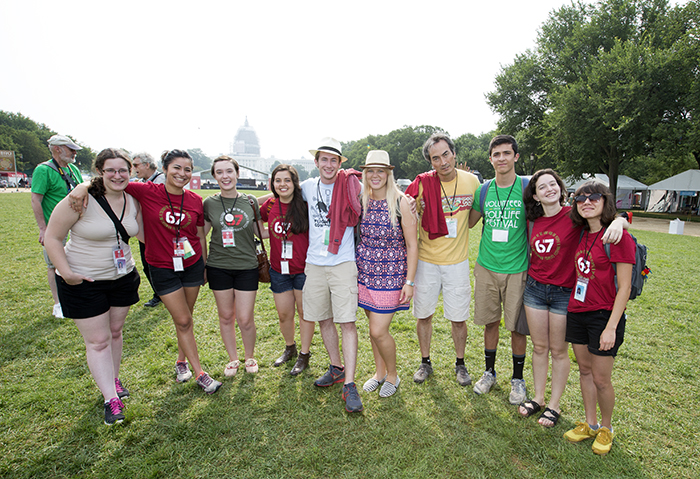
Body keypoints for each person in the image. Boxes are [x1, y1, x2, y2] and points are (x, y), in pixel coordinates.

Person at [69, 149, 221, 394]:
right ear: (165, 169)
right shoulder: (146, 191)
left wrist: (203, 264)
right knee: (182, 320)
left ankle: (182, 362)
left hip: (191, 265)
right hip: (162, 266)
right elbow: (115, 179)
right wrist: (82, 186)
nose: (182, 174)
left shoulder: (194, 200)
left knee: (186, 319)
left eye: (187, 169)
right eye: (177, 168)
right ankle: (200, 373)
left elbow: (199, 234)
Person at [519, 169, 626, 427]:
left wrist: (621, 221)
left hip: (564, 292)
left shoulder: (575, 216)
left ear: (561, 188)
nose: (549, 189)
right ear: (535, 195)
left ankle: (554, 406)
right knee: (539, 347)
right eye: (542, 187)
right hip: (534, 289)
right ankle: (538, 398)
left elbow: (607, 216)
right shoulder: (531, 221)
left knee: (558, 350)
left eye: (553, 184)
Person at [44, 148, 141, 425]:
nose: (117, 175)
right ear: (99, 171)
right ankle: (110, 398)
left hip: (122, 277)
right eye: (110, 170)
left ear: (130, 172)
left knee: (114, 332)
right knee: (98, 341)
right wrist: (67, 273)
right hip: (84, 280)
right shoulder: (80, 200)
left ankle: (113, 379)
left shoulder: (132, 199)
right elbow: (52, 237)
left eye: (123, 170)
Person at [563, 181, 635, 455]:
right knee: (584, 371)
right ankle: (590, 423)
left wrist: (611, 327)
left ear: (606, 201)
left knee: (602, 378)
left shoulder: (617, 237)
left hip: (604, 316)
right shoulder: (580, 232)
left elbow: (625, 287)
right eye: (580, 198)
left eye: (594, 197)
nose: (587, 202)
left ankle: (606, 428)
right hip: (577, 311)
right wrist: (621, 219)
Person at [404, 133, 480, 386]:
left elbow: (475, 216)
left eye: (446, 154)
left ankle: (460, 364)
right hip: (426, 261)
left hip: (457, 262)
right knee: (423, 315)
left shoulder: (472, 182)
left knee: (458, 318)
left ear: (454, 153)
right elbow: (402, 207)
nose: (443, 161)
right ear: (430, 162)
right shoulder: (422, 184)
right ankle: (425, 361)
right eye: (436, 158)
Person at [301, 137, 363, 413]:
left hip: (343, 262)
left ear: (340, 164)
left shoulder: (351, 185)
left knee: (347, 322)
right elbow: (279, 192)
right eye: (323, 159)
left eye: (333, 160)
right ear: (316, 163)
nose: (328, 164)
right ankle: (336, 367)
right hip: (314, 264)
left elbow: (380, 192)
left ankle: (349, 383)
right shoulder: (306, 186)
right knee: (324, 318)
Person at [468, 134, 529, 404]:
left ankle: (518, 379)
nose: (501, 158)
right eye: (496, 154)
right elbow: (468, 222)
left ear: (516, 156)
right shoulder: (483, 190)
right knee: (490, 322)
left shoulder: (528, 188)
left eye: (507, 153)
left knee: (517, 326)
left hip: (518, 268)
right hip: (487, 267)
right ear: (490, 159)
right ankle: (489, 372)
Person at [357, 150, 418, 398]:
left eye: (380, 170)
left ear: (388, 173)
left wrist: (409, 282)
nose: (375, 175)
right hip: (365, 273)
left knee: (378, 331)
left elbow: (413, 245)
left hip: (391, 276)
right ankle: (379, 372)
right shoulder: (361, 199)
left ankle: (393, 374)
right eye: (370, 170)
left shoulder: (401, 201)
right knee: (372, 327)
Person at [203, 156, 264, 377]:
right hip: (218, 265)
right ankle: (233, 359)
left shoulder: (249, 201)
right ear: (214, 176)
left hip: (247, 266)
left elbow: (260, 231)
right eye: (219, 172)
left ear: (237, 173)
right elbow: (202, 234)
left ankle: (249, 356)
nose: (225, 176)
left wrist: (287, 229)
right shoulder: (209, 203)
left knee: (245, 318)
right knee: (226, 316)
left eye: (229, 171)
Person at [259, 164, 315, 375]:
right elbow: (260, 224)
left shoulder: (304, 205)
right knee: (284, 314)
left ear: (295, 183)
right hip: (278, 270)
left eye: (287, 180)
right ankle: (289, 348)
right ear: (272, 184)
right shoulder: (270, 204)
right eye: (278, 180)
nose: (282, 184)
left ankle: (304, 353)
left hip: (303, 269)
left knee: (304, 313)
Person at [31, 134, 84, 318]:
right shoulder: (43, 170)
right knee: (54, 264)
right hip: (56, 228)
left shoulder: (73, 170)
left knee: (76, 260)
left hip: (78, 225)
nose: (74, 153)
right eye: (71, 149)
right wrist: (43, 229)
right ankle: (58, 303)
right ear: (57, 149)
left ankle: (75, 296)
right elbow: (36, 200)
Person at [131, 152, 165, 308]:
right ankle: (159, 293)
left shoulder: (161, 180)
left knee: (157, 264)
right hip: (144, 229)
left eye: (136, 165)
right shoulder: (142, 182)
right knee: (147, 264)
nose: (134, 168)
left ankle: (162, 294)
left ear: (146, 165)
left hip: (159, 231)